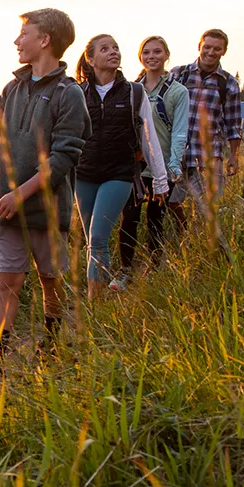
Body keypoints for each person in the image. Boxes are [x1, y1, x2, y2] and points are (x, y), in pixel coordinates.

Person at [0, 8, 90, 374]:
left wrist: (19, 195)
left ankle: (52, 342)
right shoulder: (13, 88)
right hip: (8, 211)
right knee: (8, 282)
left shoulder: (69, 94)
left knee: (50, 280)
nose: (17, 41)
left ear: (44, 40)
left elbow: (63, 159)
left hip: (46, 212)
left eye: (23, 34)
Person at [74, 34, 168, 300]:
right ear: (91, 59)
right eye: (105, 49)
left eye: (115, 48)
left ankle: (94, 303)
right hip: (84, 174)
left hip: (118, 174)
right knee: (90, 238)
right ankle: (98, 295)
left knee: (98, 238)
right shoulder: (78, 93)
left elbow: (149, 139)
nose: (113, 52)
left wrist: (160, 180)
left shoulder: (134, 92)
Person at [113, 35, 190, 288]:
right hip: (135, 166)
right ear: (140, 57)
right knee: (129, 218)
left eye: (157, 52)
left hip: (162, 166)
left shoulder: (178, 92)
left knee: (155, 219)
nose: (151, 57)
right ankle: (126, 270)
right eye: (146, 52)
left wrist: (173, 166)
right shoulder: (131, 90)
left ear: (167, 55)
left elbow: (179, 131)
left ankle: (154, 267)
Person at [170, 29, 243, 214]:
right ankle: (179, 233)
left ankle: (201, 233)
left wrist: (234, 156)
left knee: (207, 210)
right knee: (172, 207)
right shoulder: (179, 74)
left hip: (208, 157)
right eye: (207, 47)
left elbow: (233, 125)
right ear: (199, 47)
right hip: (175, 155)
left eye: (217, 49)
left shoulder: (228, 83)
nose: (211, 52)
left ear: (224, 51)